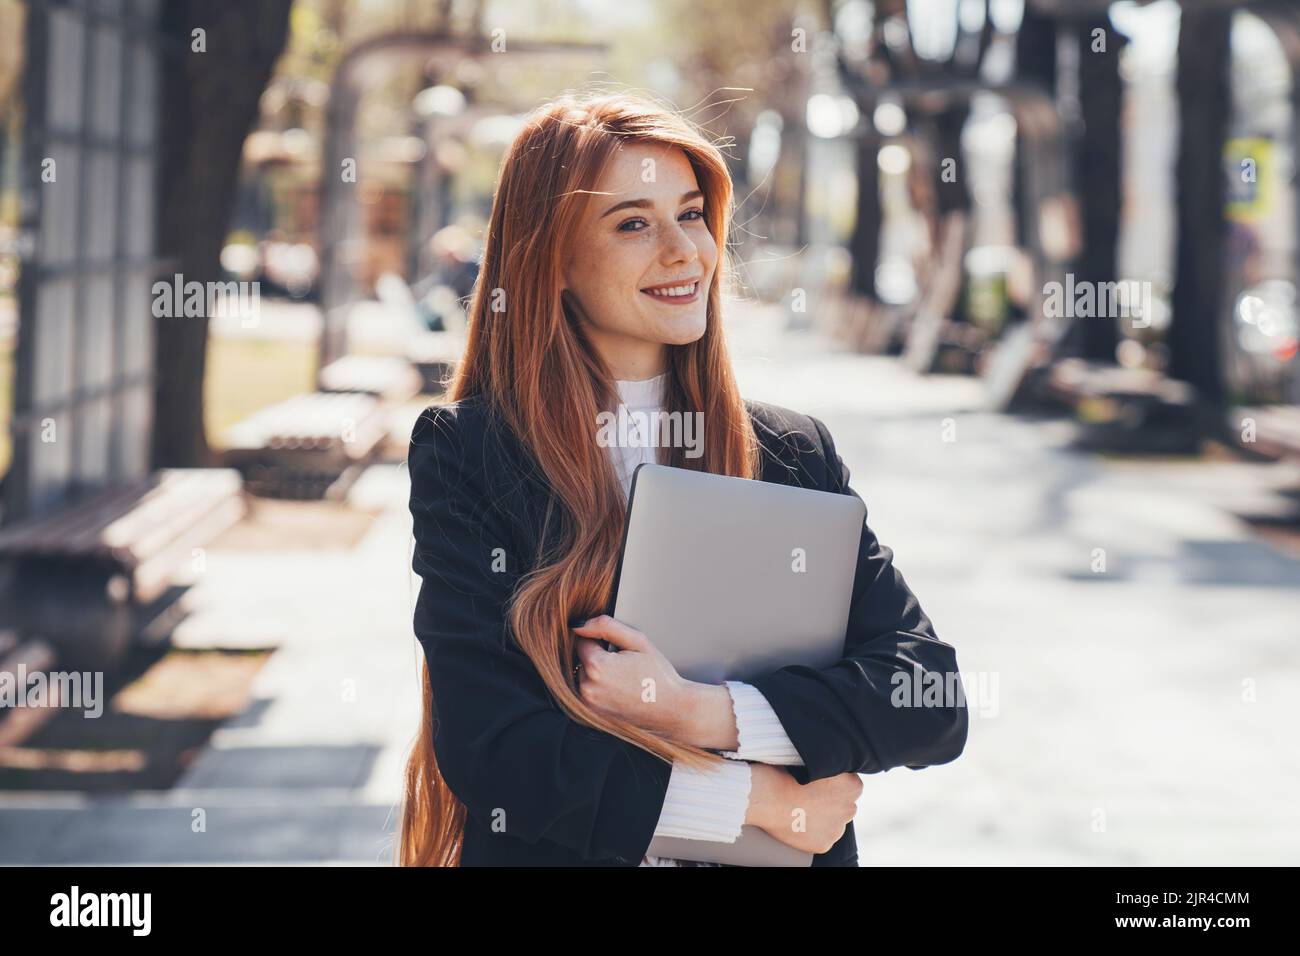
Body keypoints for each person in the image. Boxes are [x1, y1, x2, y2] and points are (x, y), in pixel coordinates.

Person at [399, 91, 968, 867]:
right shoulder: (473, 455)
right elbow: (497, 751)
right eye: (633, 222)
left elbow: (927, 698)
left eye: (692, 214)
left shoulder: (792, 452)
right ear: (552, 258)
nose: (683, 250)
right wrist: (767, 804)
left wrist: (701, 714)